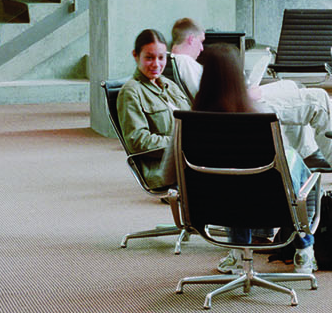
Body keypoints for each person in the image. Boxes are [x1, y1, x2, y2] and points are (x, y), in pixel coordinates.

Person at [192, 42, 315, 265]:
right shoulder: (262, 118)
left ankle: (238, 254)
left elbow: (169, 173)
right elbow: (284, 171)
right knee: (303, 178)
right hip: (267, 206)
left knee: (232, 187)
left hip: (209, 207)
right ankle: (304, 250)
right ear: (240, 78)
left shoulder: (188, 121)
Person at [111, 27, 188, 192]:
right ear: (135, 55)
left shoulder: (168, 84)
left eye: (161, 58)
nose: (156, 64)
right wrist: (181, 143)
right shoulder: (131, 92)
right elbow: (138, 142)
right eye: (149, 58)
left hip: (189, 157)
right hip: (166, 170)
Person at [167, 16, 206, 98]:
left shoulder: (162, 60)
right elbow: (205, 99)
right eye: (201, 41)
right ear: (191, 39)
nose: (202, 48)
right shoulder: (186, 62)